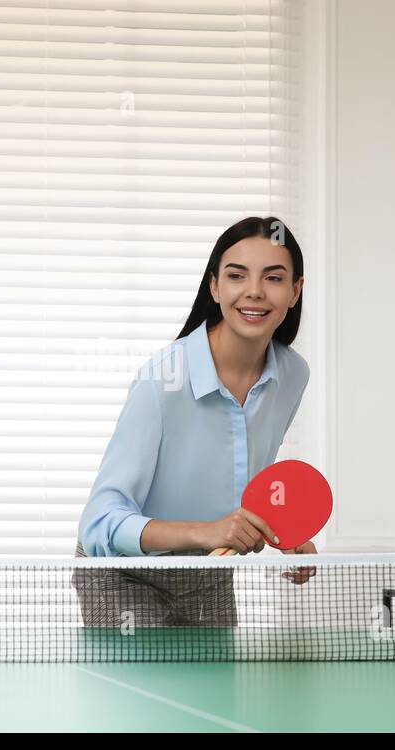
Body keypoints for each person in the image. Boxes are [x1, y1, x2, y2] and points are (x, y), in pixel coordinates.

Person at [74, 216, 315, 629]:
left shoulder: (292, 375)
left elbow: (242, 476)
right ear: (215, 287)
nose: (254, 291)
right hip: (124, 577)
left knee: (215, 695)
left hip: (209, 573)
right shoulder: (162, 381)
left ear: (295, 291)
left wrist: (280, 531)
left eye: (273, 278)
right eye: (237, 275)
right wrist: (207, 532)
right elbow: (99, 523)